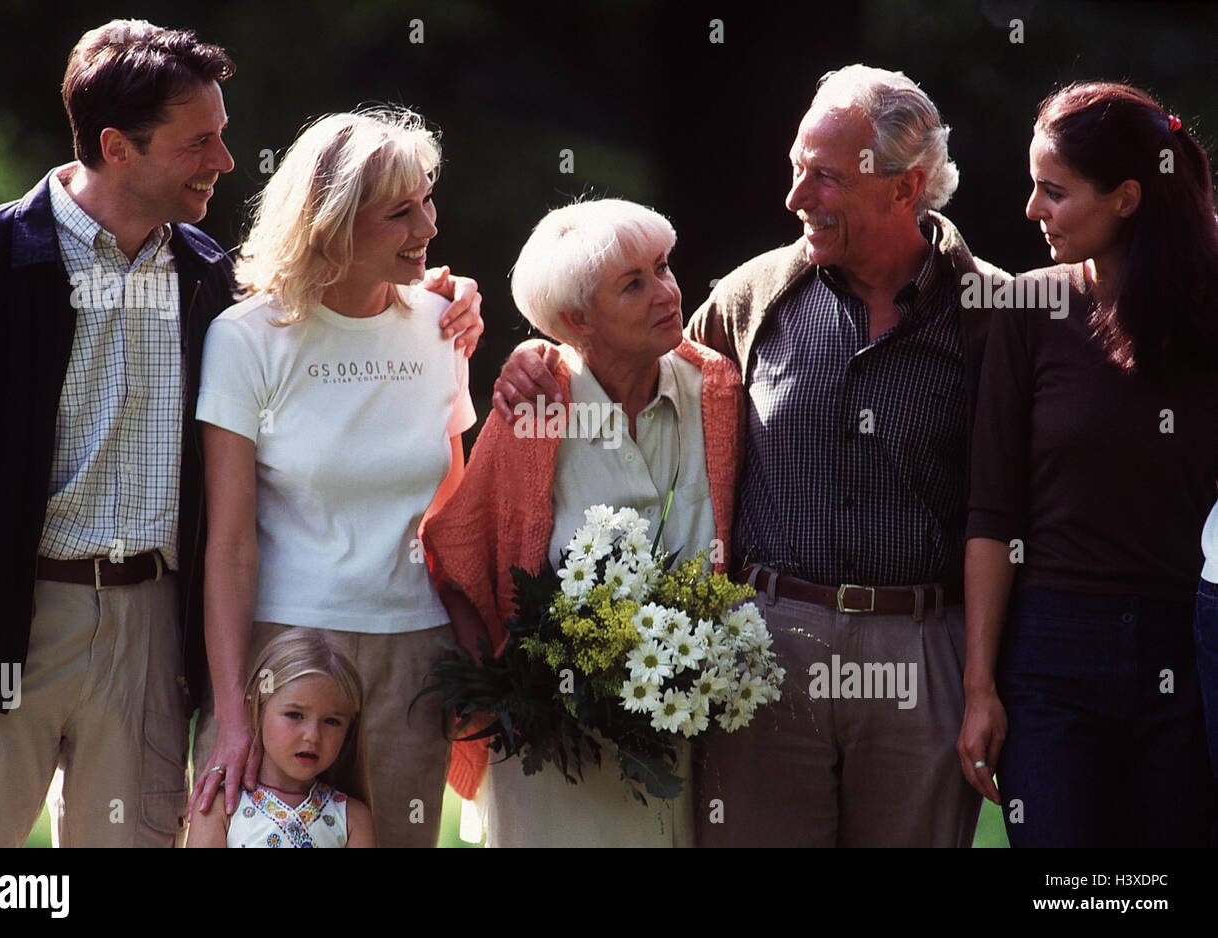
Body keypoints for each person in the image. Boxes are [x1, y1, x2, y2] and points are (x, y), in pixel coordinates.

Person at [0, 19, 481, 848]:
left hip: (153, 630)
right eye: (199, 143)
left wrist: (443, 290)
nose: (224, 160)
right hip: (4, 619)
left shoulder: (209, 281)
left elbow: (327, 300)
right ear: (118, 147)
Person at [494, 65, 1005, 847]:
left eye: (825, 178)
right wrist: (542, 352)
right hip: (766, 653)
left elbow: (998, 512)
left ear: (904, 190)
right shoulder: (751, 296)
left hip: (921, 657)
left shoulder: (991, 314)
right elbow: (631, 358)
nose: (796, 198)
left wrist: (978, 685)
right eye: (797, 169)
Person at [189, 106, 476, 849]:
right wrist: (230, 715)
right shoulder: (246, 338)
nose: (429, 226)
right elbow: (229, 543)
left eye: (427, 199)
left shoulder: (444, 325)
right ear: (335, 226)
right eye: (401, 212)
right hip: (283, 652)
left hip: (416, 653)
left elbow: (455, 512)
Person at [423, 198, 744, 847]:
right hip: (550, 754)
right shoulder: (533, 411)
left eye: (663, 267)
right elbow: (455, 554)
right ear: (576, 320)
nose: (667, 293)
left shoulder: (717, 392)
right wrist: (511, 678)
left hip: (673, 741)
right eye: (634, 284)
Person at [957, 81, 1218, 847]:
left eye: (1054, 192)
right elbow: (991, 510)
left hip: (1189, 647)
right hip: (1050, 661)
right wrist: (980, 688)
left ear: (1129, 198)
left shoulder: (1208, 319)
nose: (1033, 212)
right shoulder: (1029, 311)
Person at [187, 629, 375, 847]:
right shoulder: (220, 809)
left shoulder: (353, 819)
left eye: (332, 721)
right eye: (295, 715)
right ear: (255, 710)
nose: (312, 736)